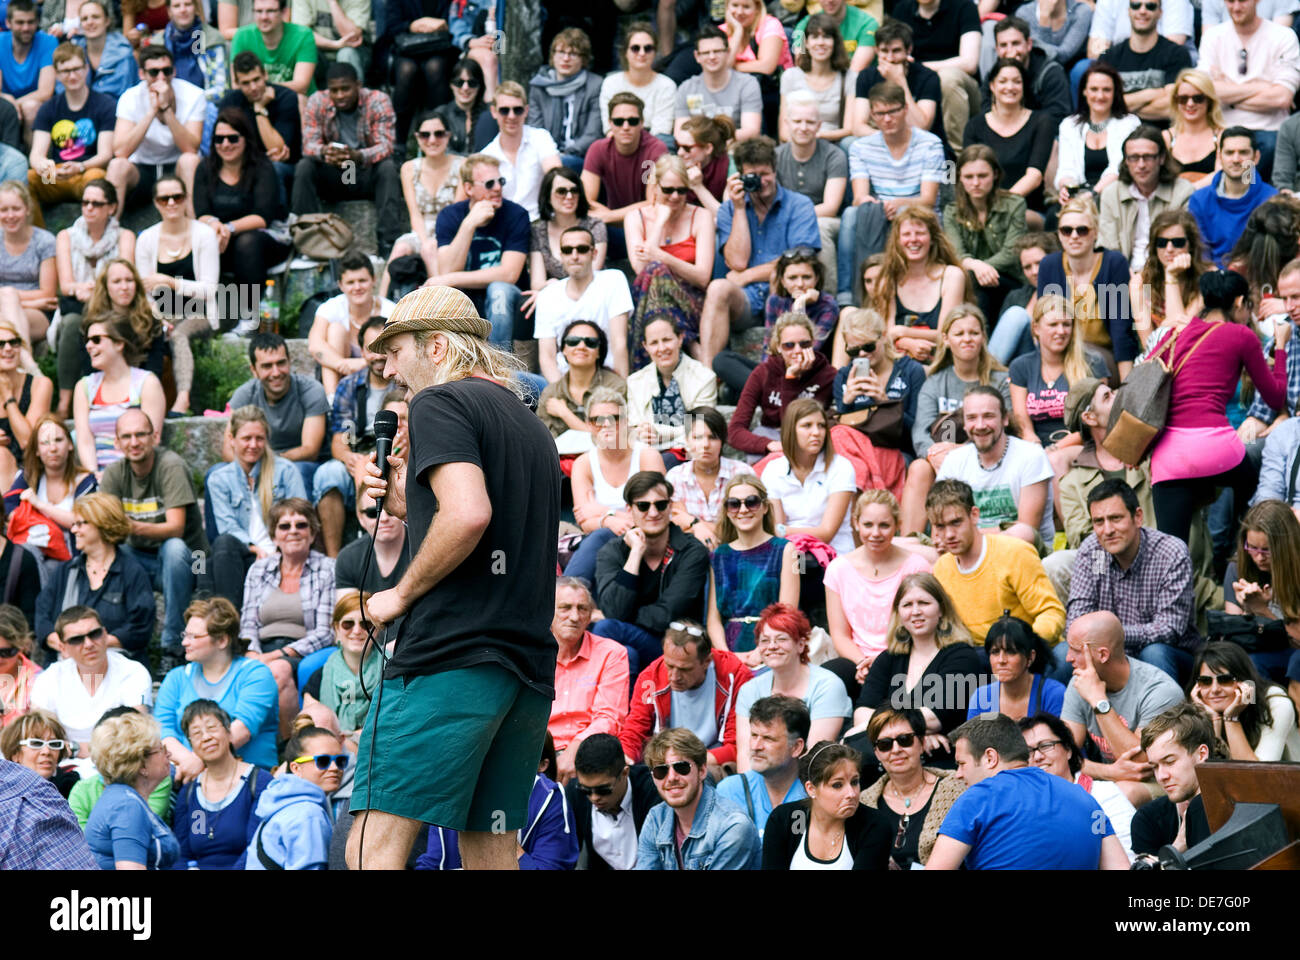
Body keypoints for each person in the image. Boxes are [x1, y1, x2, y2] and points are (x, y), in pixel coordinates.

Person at [350, 285, 563, 872]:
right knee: (491, 851)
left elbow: (468, 514)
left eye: (395, 351)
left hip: (447, 657)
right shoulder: (529, 425)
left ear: (438, 347)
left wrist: (398, 594)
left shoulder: (438, 404)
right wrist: (401, 499)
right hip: (522, 670)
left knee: (373, 846)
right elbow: (478, 521)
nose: (389, 369)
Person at [1151, 270, 1288, 545]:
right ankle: (1239, 549)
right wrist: (1281, 347)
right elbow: (1275, 397)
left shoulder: (1177, 333)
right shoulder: (1241, 335)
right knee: (1254, 477)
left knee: (1169, 553)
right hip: (1216, 449)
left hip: (1168, 456)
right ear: (1238, 302)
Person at [927, 712, 1130, 869]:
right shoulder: (1085, 799)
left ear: (990, 758)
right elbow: (1121, 867)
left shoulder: (976, 799)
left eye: (962, 763)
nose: (958, 774)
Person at [700, 136, 821, 368]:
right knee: (717, 288)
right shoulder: (729, 210)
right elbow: (737, 260)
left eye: (765, 174)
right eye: (753, 176)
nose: (761, 181)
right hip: (745, 301)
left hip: (787, 295)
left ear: (775, 171)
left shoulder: (800, 205)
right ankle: (707, 378)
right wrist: (739, 209)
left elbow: (799, 264)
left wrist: (747, 276)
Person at [227, 333, 351, 556]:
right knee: (216, 475)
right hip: (259, 465)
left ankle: (301, 549)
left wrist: (268, 463)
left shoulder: (310, 390)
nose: (276, 372)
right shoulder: (244, 394)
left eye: (281, 363)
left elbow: (310, 449)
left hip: (306, 466)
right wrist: (257, 466)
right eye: (267, 366)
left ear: (289, 361)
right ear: (254, 370)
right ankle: (226, 552)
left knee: (296, 469)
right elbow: (229, 447)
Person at [1067, 479, 1201, 682]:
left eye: (1116, 518)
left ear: (1137, 517)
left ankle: (1166, 714)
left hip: (1169, 653)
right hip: (1104, 653)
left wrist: (1110, 636)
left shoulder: (1169, 553)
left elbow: (1169, 629)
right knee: (1062, 655)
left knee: (1154, 653)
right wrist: (1102, 641)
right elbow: (1077, 617)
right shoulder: (1096, 552)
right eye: (1099, 521)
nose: (1108, 530)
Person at [100, 409, 205, 668]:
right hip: (142, 559)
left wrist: (128, 526)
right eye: (126, 436)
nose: (134, 442)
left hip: (194, 562)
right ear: (117, 442)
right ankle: (127, 645)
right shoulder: (115, 474)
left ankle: (172, 647)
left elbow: (176, 528)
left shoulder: (171, 465)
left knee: (173, 548)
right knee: (109, 553)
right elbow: (107, 527)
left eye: (140, 434)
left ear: (154, 436)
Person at [847, 572, 983, 764]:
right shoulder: (889, 658)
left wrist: (894, 730)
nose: (916, 611)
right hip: (891, 758)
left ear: (941, 609)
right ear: (899, 613)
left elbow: (935, 717)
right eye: (907, 605)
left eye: (924, 603)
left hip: (943, 757)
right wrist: (917, 736)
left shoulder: (962, 656)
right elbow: (861, 714)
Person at [901, 304, 1010, 534]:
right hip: (941, 460)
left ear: (983, 337)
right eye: (959, 334)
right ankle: (910, 543)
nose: (967, 339)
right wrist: (934, 453)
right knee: (920, 467)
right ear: (946, 339)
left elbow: (1008, 427)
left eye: (973, 333)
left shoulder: (1000, 380)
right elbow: (920, 432)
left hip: (988, 455)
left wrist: (961, 452)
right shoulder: (934, 382)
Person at [1061, 610, 1186, 807]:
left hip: (1161, 781)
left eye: (1075, 650)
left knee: (1124, 793)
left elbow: (1140, 762)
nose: (1068, 658)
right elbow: (1059, 755)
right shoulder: (1081, 681)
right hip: (1112, 779)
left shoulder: (1159, 691)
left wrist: (1099, 701)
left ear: (1102, 654)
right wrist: (1108, 772)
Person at [840, 85, 949, 309]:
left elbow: (928, 198)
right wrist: (871, 204)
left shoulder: (930, 144)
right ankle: (848, 297)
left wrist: (898, 204)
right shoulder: (861, 147)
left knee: (902, 215)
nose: (887, 119)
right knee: (851, 214)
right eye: (880, 113)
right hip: (880, 213)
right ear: (872, 115)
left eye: (893, 111)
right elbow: (859, 197)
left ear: (905, 109)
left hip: (918, 212)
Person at [239, 497, 335, 738]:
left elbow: (326, 631)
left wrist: (274, 656)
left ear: (312, 534)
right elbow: (248, 622)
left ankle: (288, 746)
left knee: (279, 670)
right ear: (274, 536)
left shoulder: (327, 569)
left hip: (304, 651)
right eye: (284, 526)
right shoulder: (258, 570)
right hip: (261, 648)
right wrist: (252, 653)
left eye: (301, 525)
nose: (293, 531)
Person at [928, 479, 1065, 643]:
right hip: (977, 657)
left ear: (974, 515)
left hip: (1029, 651)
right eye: (940, 526)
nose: (949, 534)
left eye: (956, 522)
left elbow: (1051, 612)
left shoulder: (1014, 552)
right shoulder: (942, 568)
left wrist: (1020, 646)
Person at [156, 596, 279, 777]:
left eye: (194, 637)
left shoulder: (256, 674)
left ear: (222, 640)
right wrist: (188, 761)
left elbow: (243, 728)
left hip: (247, 778)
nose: (184, 643)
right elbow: (163, 729)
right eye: (185, 635)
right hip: (186, 775)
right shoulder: (176, 678)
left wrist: (200, 761)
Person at [418, 733, 580, 871]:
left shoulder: (548, 797)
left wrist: (500, 839)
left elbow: (550, 866)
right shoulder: (451, 793)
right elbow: (432, 862)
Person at [292, 64, 403, 255]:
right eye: (334, 90)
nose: (340, 95)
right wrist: (326, 152)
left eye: (345, 89)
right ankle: (307, 239)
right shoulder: (317, 101)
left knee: (388, 168)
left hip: (362, 170)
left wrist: (358, 156)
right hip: (335, 173)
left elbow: (387, 145)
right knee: (304, 166)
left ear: (358, 85)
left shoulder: (377, 100)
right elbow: (308, 146)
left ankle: (388, 243)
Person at [825, 490, 932, 682]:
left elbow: (923, 627)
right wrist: (863, 663)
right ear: (856, 523)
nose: (875, 533)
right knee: (828, 676)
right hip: (857, 659)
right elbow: (840, 635)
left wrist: (882, 663)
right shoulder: (838, 569)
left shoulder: (916, 566)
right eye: (868, 525)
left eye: (884, 525)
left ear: (897, 526)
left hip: (904, 654)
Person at [206, 405, 308, 607]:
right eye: (246, 438)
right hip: (245, 554)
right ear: (232, 440)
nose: (253, 445)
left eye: (259, 438)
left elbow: (302, 516)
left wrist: (279, 548)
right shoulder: (218, 479)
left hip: (283, 552)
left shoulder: (286, 471)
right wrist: (255, 549)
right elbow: (227, 527)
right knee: (220, 547)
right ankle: (230, 623)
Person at [34, 494, 154, 664]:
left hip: (116, 667)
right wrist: (65, 645)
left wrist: (90, 645)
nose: (73, 530)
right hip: (66, 666)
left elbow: (140, 628)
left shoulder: (132, 572)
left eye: (80, 524)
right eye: (73, 524)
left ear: (102, 525)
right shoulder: (65, 572)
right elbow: (41, 618)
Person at [134, 175, 219, 410]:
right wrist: (159, 318)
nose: (171, 203)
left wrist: (170, 282)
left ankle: (182, 399)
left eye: (177, 197)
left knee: (180, 335)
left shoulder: (204, 234)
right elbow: (145, 292)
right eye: (164, 199)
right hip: (163, 312)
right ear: (155, 203)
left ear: (186, 200)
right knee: (141, 333)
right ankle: (139, 401)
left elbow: (210, 289)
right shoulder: (147, 239)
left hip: (199, 311)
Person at [430, 153, 530, 350]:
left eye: (500, 181)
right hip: (466, 298)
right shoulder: (450, 216)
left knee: (498, 290)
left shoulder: (516, 215)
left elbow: (509, 273)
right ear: (468, 188)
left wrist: (453, 279)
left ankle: (500, 365)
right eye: (489, 183)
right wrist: (469, 224)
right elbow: (447, 269)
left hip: (507, 299)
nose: (498, 188)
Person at [936, 383, 1055, 547]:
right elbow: (942, 521)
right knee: (909, 544)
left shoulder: (1031, 455)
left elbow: (1028, 530)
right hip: (963, 549)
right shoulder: (954, 460)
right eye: (971, 418)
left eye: (988, 416)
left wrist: (966, 536)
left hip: (1018, 551)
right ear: (963, 423)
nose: (980, 425)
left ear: (1005, 419)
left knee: (1023, 532)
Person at [565, 391, 666, 585]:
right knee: (602, 536)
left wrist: (602, 514)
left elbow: (655, 511)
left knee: (601, 535)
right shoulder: (583, 463)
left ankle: (569, 590)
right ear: (588, 425)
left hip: (646, 538)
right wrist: (610, 520)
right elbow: (585, 522)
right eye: (597, 420)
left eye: (614, 418)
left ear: (627, 421)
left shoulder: (647, 456)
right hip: (603, 542)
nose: (606, 425)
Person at [1035, 197, 1138, 379]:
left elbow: (1121, 328)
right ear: (1059, 234)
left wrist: (1126, 388)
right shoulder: (1049, 265)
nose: (1074, 236)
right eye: (1066, 230)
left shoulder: (1113, 263)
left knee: (1087, 360)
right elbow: (1045, 323)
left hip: (1103, 357)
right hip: (1060, 355)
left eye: (1082, 230)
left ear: (1096, 233)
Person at [52, 182, 132, 415]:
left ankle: (103, 396)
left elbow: (126, 276)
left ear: (112, 207)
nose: (89, 208)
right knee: (72, 324)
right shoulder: (66, 236)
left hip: (114, 306)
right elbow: (66, 285)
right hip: (77, 306)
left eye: (96, 203)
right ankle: (65, 402)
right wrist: (84, 290)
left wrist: (95, 292)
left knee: (101, 325)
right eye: (85, 202)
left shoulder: (125, 237)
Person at [625, 155, 715, 362]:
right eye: (668, 190)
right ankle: (691, 344)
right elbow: (640, 268)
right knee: (654, 271)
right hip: (648, 296)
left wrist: (662, 256)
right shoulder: (635, 217)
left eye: (682, 190)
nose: (675, 196)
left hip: (690, 299)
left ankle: (643, 359)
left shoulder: (700, 216)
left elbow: (702, 277)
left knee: (657, 267)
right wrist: (659, 222)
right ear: (655, 187)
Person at [1197, 0, 1300, 180]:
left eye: (1243, 0)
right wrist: (1262, 86)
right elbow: (1204, 91)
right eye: (1230, 1)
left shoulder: (1283, 36)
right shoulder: (1213, 36)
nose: (1236, 7)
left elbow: (1282, 98)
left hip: (1268, 131)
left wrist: (1227, 94)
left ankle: (1249, 196)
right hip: (1222, 128)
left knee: (1248, 177)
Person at [735, 606, 851, 763]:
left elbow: (814, 755)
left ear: (801, 644)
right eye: (764, 640)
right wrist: (750, 787)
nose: (772, 646)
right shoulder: (749, 689)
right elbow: (745, 754)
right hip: (761, 775)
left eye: (781, 639)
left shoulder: (827, 685)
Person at [635, 727, 761, 870]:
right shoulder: (656, 818)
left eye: (681, 767)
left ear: (702, 771)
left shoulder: (733, 826)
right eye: (661, 771)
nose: (671, 778)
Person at [169, 699, 274, 870]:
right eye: (196, 733)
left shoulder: (259, 783)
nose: (206, 737)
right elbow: (183, 854)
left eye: (212, 728)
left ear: (228, 732)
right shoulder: (190, 793)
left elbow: (257, 848)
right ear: (191, 745)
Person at [1017, 713, 1136, 860]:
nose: (1037, 757)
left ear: (1068, 750)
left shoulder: (1102, 794)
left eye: (1046, 746)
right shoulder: (1020, 807)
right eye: (1028, 752)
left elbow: (1128, 855)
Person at [193, 108, 288, 293]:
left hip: (264, 239)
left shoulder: (262, 167)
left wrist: (228, 228)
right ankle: (189, 311)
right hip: (220, 238)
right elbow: (202, 213)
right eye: (219, 139)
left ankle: (249, 315)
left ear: (246, 138)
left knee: (247, 243)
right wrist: (215, 226)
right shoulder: (205, 167)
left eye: (233, 138)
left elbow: (263, 217)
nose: (226, 144)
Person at [859, 707, 966, 868]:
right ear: (876, 752)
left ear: (922, 743)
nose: (896, 750)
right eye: (885, 744)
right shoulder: (864, 803)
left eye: (904, 740)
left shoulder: (956, 788)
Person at [105, 44, 204, 214]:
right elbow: (120, 151)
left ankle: (194, 229)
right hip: (142, 169)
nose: (161, 78)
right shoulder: (129, 97)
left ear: (174, 71)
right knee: (116, 165)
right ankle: (109, 231)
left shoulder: (194, 95)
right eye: (154, 72)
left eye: (166, 71)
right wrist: (152, 111)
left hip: (176, 168)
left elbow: (190, 148)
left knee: (190, 160)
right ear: (142, 74)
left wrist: (166, 109)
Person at [547, 577, 629, 781]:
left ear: (591, 615)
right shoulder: (531, 653)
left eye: (582, 609)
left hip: (591, 751)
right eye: (565, 608)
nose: (574, 617)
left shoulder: (612, 653)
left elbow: (610, 717)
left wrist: (575, 748)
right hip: (539, 750)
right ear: (548, 610)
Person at [762, 741, 891, 870]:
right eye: (837, 785)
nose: (851, 794)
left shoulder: (873, 825)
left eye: (854, 782)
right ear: (811, 789)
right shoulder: (787, 819)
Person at [706, 475, 797, 657]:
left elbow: (788, 612)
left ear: (764, 507)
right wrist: (727, 656)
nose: (743, 509)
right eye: (734, 504)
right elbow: (713, 619)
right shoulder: (718, 555)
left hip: (774, 646)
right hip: (729, 648)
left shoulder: (789, 550)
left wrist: (762, 651)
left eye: (751, 502)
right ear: (727, 510)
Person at [26, 42, 116, 221]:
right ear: (57, 75)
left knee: (97, 178)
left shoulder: (105, 104)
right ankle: (39, 237)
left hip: (86, 171)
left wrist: (80, 166)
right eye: (66, 71)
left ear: (86, 69)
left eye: (76, 69)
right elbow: (36, 155)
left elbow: (106, 154)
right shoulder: (49, 108)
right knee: (28, 179)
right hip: (56, 175)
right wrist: (46, 166)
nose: (72, 76)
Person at [728, 313, 836, 459]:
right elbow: (734, 431)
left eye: (804, 344)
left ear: (813, 343)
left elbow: (792, 428)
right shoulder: (763, 373)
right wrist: (768, 444)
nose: (797, 351)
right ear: (778, 347)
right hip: (772, 434)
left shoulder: (827, 375)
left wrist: (790, 380)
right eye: (789, 345)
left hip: (811, 436)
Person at [83, 710, 179, 869]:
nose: (168, 754)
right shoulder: (127, 806)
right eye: (161, 749)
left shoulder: (123, 798)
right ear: (141, 765)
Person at [762, 397, 857, 555]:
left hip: (835, 555)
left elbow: (827, 533)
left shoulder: (841, 467)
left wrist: (782, 529)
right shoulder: (773, 470)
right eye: (807, 425)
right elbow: (775, 532)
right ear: (791, 430)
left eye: (821, 426)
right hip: (793, 553)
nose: (816, 432)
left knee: (803, 568)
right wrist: (780, 531)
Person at [381, 112, 463, 293]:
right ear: (417, 137)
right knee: (401, 247)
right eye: (425, 135)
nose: (432, 140)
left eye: (439, 134)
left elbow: (457, 212)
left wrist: (432, 243)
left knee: (431, 250)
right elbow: (414, 214)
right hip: (421, 230)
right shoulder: (409, 168)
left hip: (451, 232)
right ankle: (382, 308)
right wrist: (425, 240)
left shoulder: (462, 166)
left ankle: (441, 300)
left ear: (448, 135)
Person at [943, 145, 1027, 323]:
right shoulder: (952, 211)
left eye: (982, 176)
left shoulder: (1015, 204)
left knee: (975, 281)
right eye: (968, 177)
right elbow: (956, 253)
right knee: (971, 281)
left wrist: (981, 268)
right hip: (972, 278)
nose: (975, 183)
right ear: (960, 178)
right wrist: (975, 266)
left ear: (995, 174)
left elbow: (1011, 253)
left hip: (1009, 278)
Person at [535, 227, 631, 381]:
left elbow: (619, 342)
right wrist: (562, 395)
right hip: (562, 380)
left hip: (605, 378)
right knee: (513, 380)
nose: (574, 256)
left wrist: (620, 391)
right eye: (567, 250)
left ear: (594, 253)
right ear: (561, 255)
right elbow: (547, 357)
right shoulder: (548, 294)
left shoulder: (613, 280)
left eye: (582, 249)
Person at [245, 717, 341, 870]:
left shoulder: (283, 804)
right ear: (296, 768)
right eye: (323, 761)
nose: (335, 767)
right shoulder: (308, 813)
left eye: (340, 760)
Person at [3, 415, 96, 570]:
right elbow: (7, 506)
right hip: (33, 555)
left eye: (58, 440)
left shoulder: (85, 481)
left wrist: (39, 505)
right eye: (45, 443)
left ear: (70, 445)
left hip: (74, 559)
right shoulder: (28, 477)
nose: (53, 448)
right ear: (37, 451)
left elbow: (84, 521)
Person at [875, 208, 968, 364]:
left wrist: (903, 332)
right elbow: (886, 335)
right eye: (906, 234)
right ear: (897, 241)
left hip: (942, 361)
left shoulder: (952, 276)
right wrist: (908, 343)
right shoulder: (888, 279)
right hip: (898, 364)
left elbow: (946, 334)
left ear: (932, 238)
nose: (913, 240)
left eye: (920, 233)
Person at [963, 59, 1053, 217]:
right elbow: (968, 172)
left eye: (1017, 82)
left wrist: (1001, 207)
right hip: (982, 208)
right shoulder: (975, 126)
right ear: (992, 86)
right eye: (1003, 81)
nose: (1010, 87)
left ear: (1023, 86)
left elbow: (1034, 176)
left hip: (1027, 210)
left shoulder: (1041, 122)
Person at [1098, 126, 1195, 271]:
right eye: (1134, 158)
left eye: (1148, 157)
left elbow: (1184, 244)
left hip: (1169, 271)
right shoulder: (1112, 194)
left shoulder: (1183, 192)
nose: (1141, 165)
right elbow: (1109, 248)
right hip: (1124, 274)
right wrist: (1127, 276)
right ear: (1126, 161)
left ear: (1161, 158)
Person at [831, 307, 927, 453]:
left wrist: (886, 403)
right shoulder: (844, 376)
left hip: (897, 452)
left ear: (883, 336)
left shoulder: (911, 371)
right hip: (856, 454)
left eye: (868, 346)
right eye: (854, 351)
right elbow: (840, 433)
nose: (862, 354)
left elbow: (916, 432)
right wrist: (846, 404)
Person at [891, 0, 981, 152]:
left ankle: (959, 156)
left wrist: (920, 68)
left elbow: (970, 63)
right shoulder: (902, 9)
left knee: (947, 78)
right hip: (919, 86)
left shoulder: (965, 6)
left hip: (962, 88)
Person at [582, 92, 665, 255]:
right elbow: (586, 199)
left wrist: (609, 216)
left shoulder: (656, 149)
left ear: (641, 123)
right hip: (612, 228)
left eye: (632, 121)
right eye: (619, 121)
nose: (625, 127)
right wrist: (611, 218)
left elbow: (652, 202)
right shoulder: (598, 149)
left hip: (647, 227)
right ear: (610, 124)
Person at [1189, 641, 1300, 761]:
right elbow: (1208, 772)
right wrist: (1213, 722)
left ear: (1245, 682)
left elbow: (1256, 775)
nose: (1215, 689)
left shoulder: (1276, 703)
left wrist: (1232, 718)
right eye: (1205, 681)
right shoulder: (1200, 709)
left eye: (1225, 680)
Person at [1130, 702, 1214, 857]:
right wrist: (1178, 847)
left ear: (1201, 754)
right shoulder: (1148, 819)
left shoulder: (1235, 808)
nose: (1161, 776)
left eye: (1169, 762)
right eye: (1154, 766)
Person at [848, 19, 945, 153]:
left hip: (924, 145)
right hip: (881, 141)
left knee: (948, 163)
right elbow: (858, 127)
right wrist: (890, 140)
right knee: (848, 143)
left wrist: (900, 80)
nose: (890, 58)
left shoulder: (927, 77)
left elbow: (922, 127)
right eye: (884, 51)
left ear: (909, 49)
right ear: (876, 50)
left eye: (896, 51)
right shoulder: (866, 76)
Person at [565, 732, 658, 870]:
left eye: (603, 790)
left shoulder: (652, 789)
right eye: (586, 790)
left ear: (624, 773)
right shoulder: (575, 793)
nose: (594, 797)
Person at [309, 254, 396, 400]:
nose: (357, 287)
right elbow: (315, 345)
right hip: (342, 373)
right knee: (335, 330)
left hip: (382, 372)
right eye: (350, 282)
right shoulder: (332, 307)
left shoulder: (390, 310)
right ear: (341, 285)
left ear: (374, 280)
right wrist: (343, 364)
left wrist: (364, 362)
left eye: (362, 280)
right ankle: (332, 400)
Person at [717, 695, 810, 832]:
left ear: (796, 747)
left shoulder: (815, 794)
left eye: (768, 738)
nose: (756, 746)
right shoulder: (729, 791)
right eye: (754, 735)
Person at [1188, 129, 1280, 264]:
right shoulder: (1199, 200)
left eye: (1243, 152)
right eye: (1229, 153)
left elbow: (1272, 256)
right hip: (1212, 279)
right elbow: (1201, 255)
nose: (1236, 160)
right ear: (1219, 157)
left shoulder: (1272, 199)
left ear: (1256, 157)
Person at [630, 322, 719, 459]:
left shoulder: (704, 378)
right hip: (647, 453)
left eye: (667, 340)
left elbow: (700, 429)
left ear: (680, 339)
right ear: (645, 346)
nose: (661, 348)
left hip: (689, 453)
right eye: (654, 343)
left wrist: (658, 432)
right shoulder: (635, 382)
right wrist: (641, 433)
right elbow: (634, 428)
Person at [1055, 63, 1139, 208]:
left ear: (1115, 93)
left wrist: (1093, 194)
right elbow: (1066, 168)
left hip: (1116, 195)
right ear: (1084, 91)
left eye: (1106, 90)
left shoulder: (1129, 123)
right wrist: (1067, 190)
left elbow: (1119, 167)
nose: (1100, 96)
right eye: (1094, 89)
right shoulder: (1069, 125)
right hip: (1080, 194)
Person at [299, 593, 382, 740]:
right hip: (332, 749)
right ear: (336, 628)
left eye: (366, 624)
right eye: (348, 624)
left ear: (377, 629)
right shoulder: (320, 676)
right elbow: (309, 730)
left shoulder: (392, 672)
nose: (356, 631)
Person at [1097, 0, 1190, 123]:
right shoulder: (1109, 57)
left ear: (1160, 12)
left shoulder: (1177, 54)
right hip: (1117, 135)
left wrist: (1120, 106)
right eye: (1136, 5)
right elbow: (1101, 105)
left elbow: (1173, 106)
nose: (1142, 11)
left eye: (1150, 6)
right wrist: (1152, 93)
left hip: (1162, 136)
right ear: (1129, 11)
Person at [0, 753, 99, 869]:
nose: (46, 751)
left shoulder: (48, 791)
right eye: (36, 743)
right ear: (15, 755)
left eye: (54, 744)